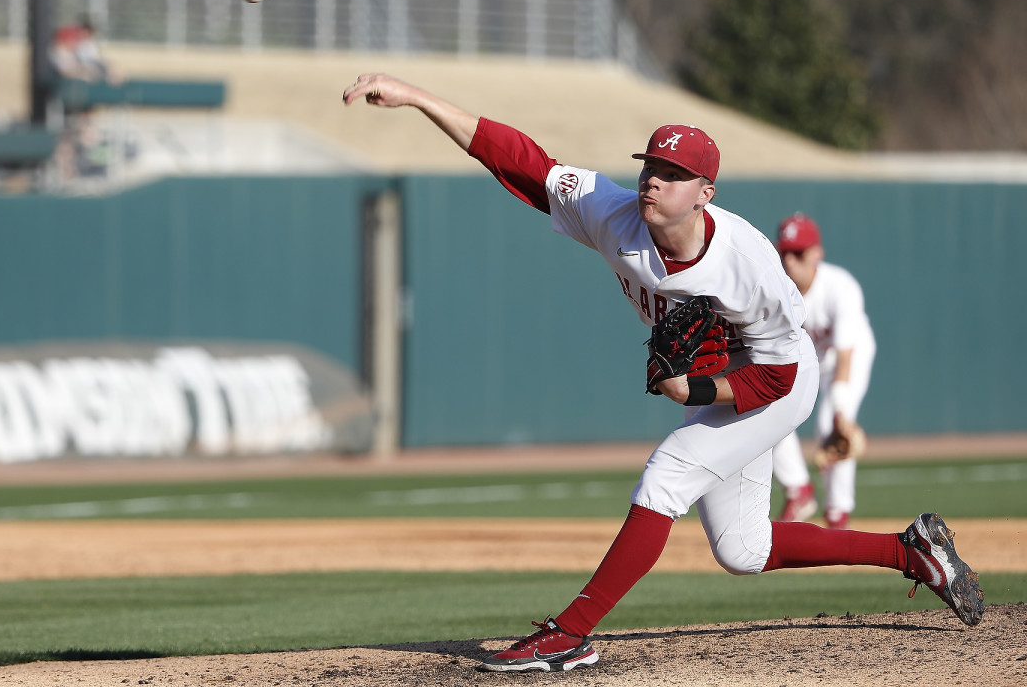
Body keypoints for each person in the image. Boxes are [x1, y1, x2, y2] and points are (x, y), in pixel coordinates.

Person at [341, 72, 984, 672]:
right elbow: (521, 161)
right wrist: (421, 99)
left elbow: (782, 379)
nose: (653, 181)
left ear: (705, 193)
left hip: (774, 379)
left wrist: (695, 389)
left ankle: (569, 635)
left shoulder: (751, 268)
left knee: (667, 477)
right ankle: (913, 551)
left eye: (672, 174)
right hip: (729, 376)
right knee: (742, 549)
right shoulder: (615, 215)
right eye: (650, 166)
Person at [771, 214, 877, 529]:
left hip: (850, 357)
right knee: (768, 411)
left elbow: (844, 356)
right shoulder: (777, 290)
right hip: (809, 360)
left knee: (832, 424)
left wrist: (842, 410)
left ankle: (837, 513)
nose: (790, 260)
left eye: (799, 253)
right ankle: (799, 490)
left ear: (816, 253)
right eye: (784, 252)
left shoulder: (840, 287)